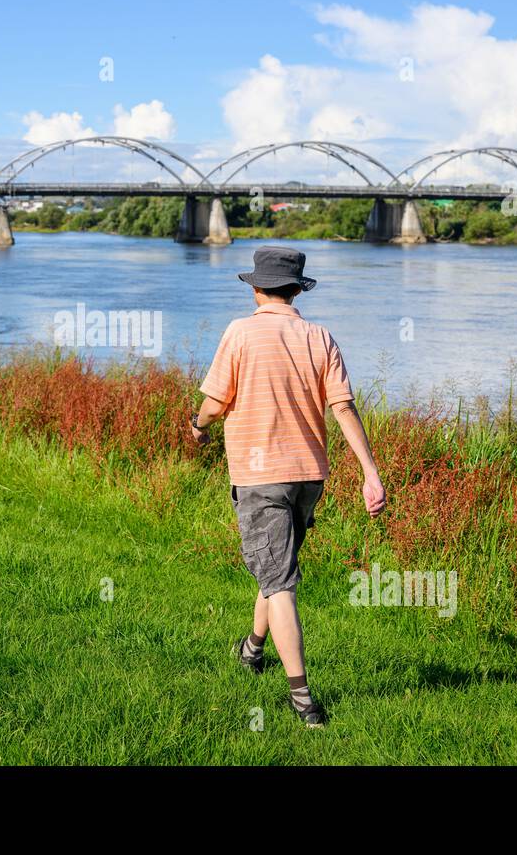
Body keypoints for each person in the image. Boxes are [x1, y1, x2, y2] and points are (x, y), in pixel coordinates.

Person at [191, 246, 386, 728]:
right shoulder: (319, 337)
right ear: (298, 289)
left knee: (279, 581)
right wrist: (370, 471)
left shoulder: (239, 332)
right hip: (308, 475)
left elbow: (215, 403)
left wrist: (198, 427)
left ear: (255, 289)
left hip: (260, 478)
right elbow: (342, 408)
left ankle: (304, 701)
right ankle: (253, 650)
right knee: (280, 567)